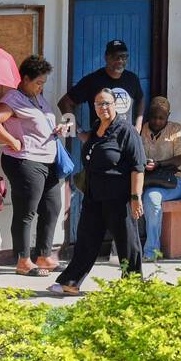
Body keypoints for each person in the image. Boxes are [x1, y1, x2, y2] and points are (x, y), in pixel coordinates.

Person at [48, 89, 145, 296]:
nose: (104, 108)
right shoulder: (97, 128)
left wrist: (135, 198)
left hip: (119, 198)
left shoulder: (126, 131)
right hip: (94, 195)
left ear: (115, 105)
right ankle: (70, 281)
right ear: (94, 107)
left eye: (107, 103)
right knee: (86, 240)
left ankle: (134, 285)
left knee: (127, 242)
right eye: (99, 104)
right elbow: (85, 139)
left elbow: (138, 167)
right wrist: (68, 128)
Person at [0, 55, 68, 276]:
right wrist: (11, 141)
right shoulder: (13, 99)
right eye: (38, 82)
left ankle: (43, 255)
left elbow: (39, 125)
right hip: (25, 161)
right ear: (25, 78)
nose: (41, 87)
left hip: (47, 160)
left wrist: (57, 130)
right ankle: (23, 260)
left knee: (52, 207)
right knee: (27, 211)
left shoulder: (38, 98)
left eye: (43, 83)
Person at [139, 97, 181, 261]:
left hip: (174, 181)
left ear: (168, 116)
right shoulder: (143, 129)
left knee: (151, 197)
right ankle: (121, 248)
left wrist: (159, 164)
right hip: (148, 179)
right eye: (154, 117)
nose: (157, 121)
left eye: (161, 118)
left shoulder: (177, 129)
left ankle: (151, 251)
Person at [59, 39, 144, 132]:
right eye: (116, 57)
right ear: (107, 58)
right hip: (101, 142)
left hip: (127, 139)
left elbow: (140, 99)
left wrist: (138, 126)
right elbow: (64, 103)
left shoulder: (132, 79)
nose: (120, 61)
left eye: (124, 57)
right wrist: (79, 132)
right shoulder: (92, 80)